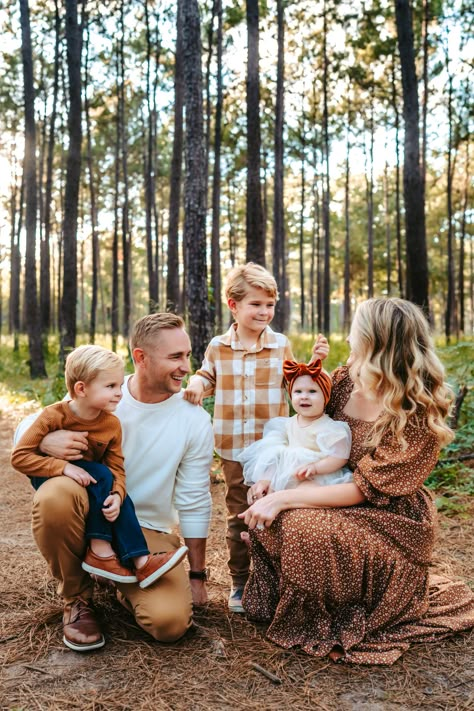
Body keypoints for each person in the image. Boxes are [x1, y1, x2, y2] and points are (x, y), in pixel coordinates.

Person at [239, 298, 474, 665]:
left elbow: (367, 489)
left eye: (355, 327)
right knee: (274, 508)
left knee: (300, 522)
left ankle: (340, 609)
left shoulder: (415, 407)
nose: (348, 334)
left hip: (389, 515)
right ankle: (295, 583)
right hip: (334, 483)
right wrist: (274, 480)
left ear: (374, 339)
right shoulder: (346, 380)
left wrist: (286, 499)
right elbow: (313, 433)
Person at [13, 314, 214, 653]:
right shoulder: (104, 392)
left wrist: (197, 576)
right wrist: (48, 443)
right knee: (55, 496)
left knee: (169, 624)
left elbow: (194, 498)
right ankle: (77, 599)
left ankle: (119, 579)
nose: (186, 367)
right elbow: (29, 429)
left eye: (188, 355)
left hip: (147, 531)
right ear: (141, 357)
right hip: (87, 519)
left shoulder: (194, 420)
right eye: (175, 357)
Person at [184, 262, 328, 613]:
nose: (264, 311)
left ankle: (276, 578)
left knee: (274, 510)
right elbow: (206, 375)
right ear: (234, 306)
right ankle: (241, 581)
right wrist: (196, 385)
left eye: (269, 305)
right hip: (233, 447)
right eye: (256, 304)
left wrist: (315, 362)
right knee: (239, 513)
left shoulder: (280, 345)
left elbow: (298, 384)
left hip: (273, 449)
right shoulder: (219, 346)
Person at [11, 345, 188, 596]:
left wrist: (117, 494)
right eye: (111, 387)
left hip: (93, 481)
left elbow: (117, 467)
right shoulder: (53, 416)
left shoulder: (110, 424)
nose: (119, 393)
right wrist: (63, 467)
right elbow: (20, 457)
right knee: (102, 475)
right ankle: (99, 551)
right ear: (81, 389)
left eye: (119, 385)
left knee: (115, 486)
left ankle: (140, 562)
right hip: (54, 479)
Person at [238, 359, 352, 494]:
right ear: (291, 396)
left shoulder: (328, 427)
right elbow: (275, 454)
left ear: (325, 397)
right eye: (298, 391)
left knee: (306, 491)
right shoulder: (286, 424)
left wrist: (316, 468)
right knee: (271, 491)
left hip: (317, 476)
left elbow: (339, 457)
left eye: (312, 391)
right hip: (289, 476)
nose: (304, 396)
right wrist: (266, 478)